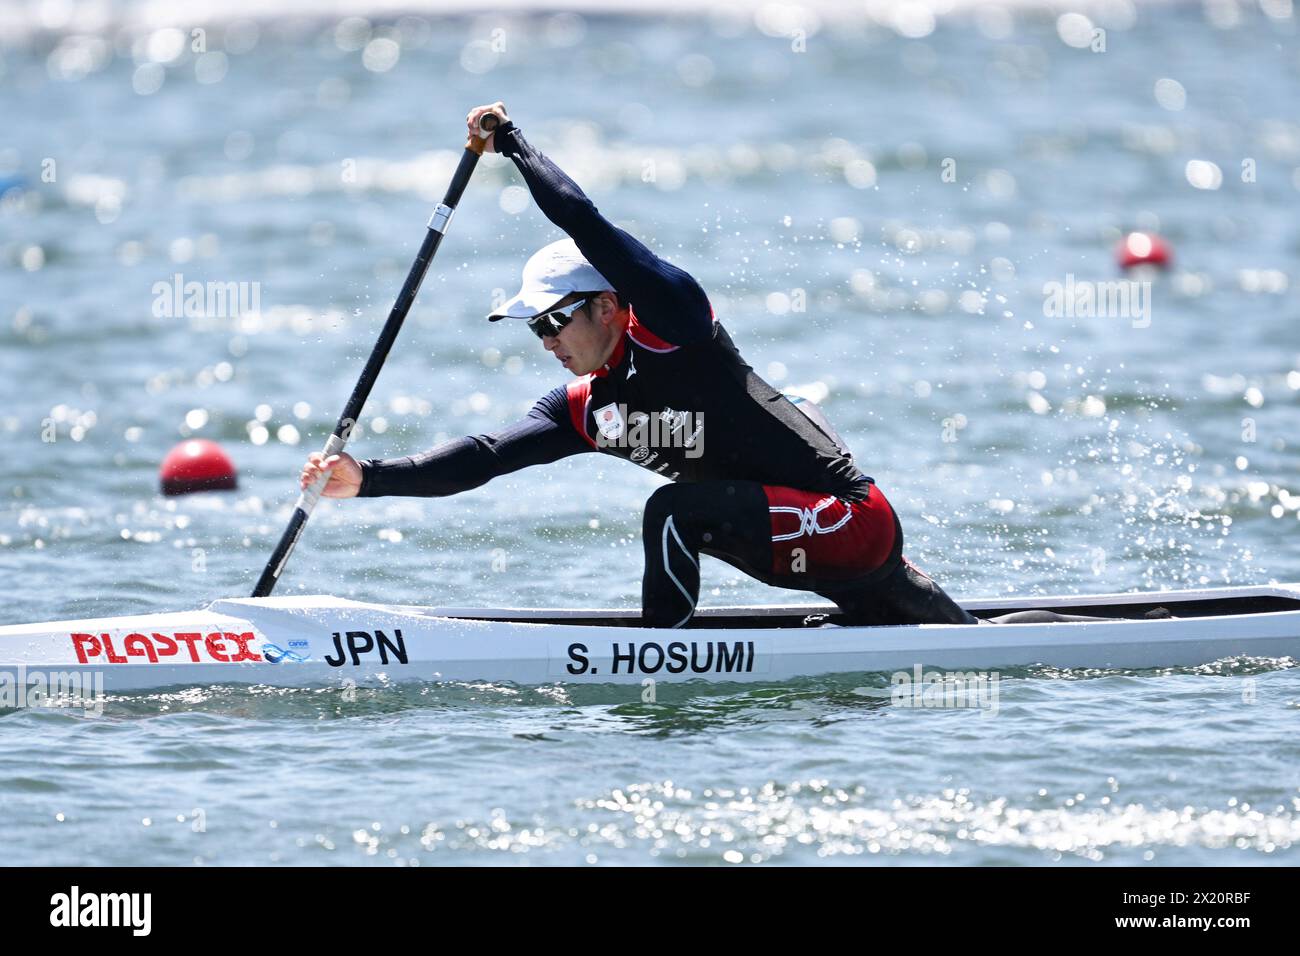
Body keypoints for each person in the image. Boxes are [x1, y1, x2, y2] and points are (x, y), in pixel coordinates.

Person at [299, 101, 986, 628]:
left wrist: (512, 145)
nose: (545, 341)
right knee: (952, 636)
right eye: (533, 327)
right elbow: (483, 456)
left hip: (848, 521)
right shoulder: (586, 409)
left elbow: (587, 223)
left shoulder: (676, 326)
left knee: (670, 512)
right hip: (815, 550)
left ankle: (665, 661)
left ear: (606, 306)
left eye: (553, 319)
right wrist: (365, 480)